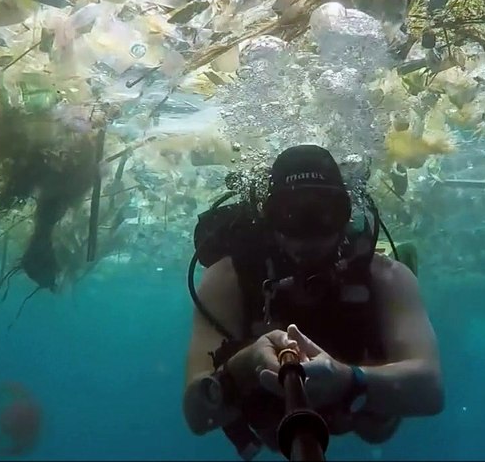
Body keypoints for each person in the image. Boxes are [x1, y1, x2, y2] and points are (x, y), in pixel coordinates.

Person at [182, 144, 443, 459]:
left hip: (356, 407)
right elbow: (197, 415)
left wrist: (349, 381)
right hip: (275, 415)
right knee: (271, 430)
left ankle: (372, 375)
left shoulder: (386, 276)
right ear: (269, 216)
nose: (307, 234)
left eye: (323, 213)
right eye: (291, 214)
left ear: (346, 212)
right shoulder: (228, 278)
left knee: (376, 427)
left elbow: (431, 390)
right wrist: (243, 367)